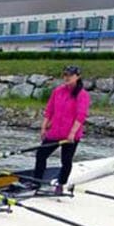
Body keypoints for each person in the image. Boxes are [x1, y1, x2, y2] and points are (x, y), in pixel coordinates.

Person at [34, 65, 90, 194]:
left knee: (66, 160)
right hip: (55, 131)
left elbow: (81, 116)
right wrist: (43, 127)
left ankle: (61, 183)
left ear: (77, 77)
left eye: (70, 75)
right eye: (65, 75)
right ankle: (36, 182)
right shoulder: (58, 91)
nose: (67, 77)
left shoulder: (82, 95)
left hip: (70, 135)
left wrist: (72, 133)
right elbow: (49, 110)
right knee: (41, 154)